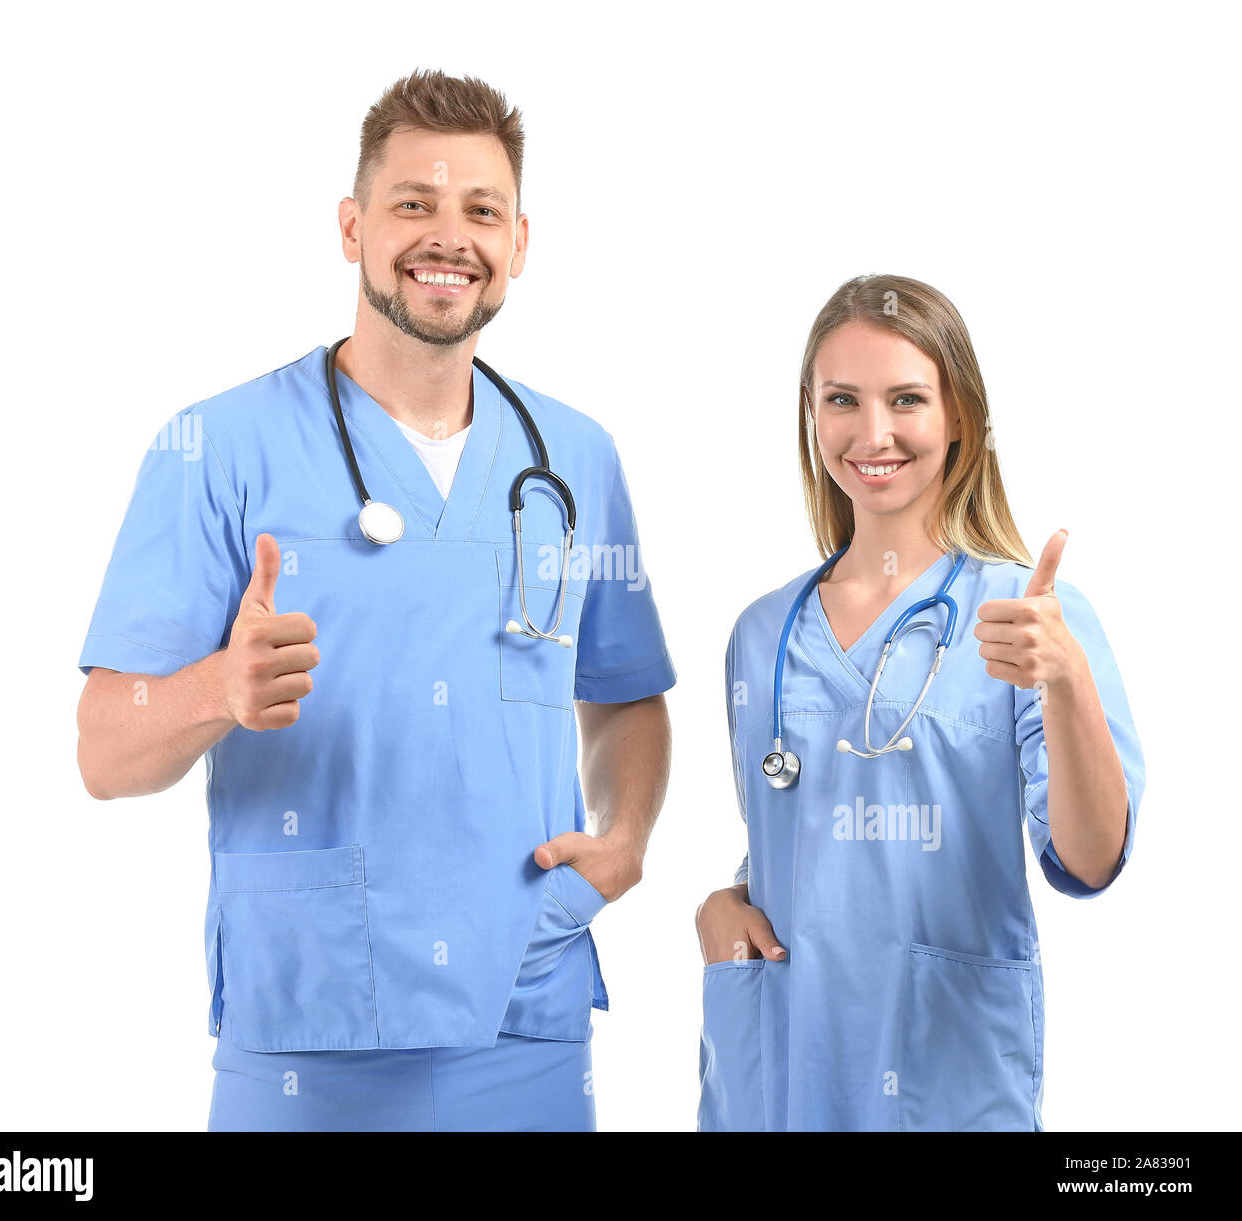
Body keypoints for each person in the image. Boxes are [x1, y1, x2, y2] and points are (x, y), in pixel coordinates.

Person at [75, 69, 675, 1132]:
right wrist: (217, 688)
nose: (449, 236)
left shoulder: (575, 456)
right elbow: (103, 754)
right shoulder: (216, 445)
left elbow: (622, 695)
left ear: (520, 244)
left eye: (480, 210)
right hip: (309, 1030)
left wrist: (625, 836)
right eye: (413, 204)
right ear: (351, 227)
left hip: (526, 1009)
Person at [694, 274, 1144, 1131]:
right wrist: (725, 901)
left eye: (907, 398)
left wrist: (1067, 681)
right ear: (811, 415)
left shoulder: (1024, 617)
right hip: (781, 1076)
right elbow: (802, 848)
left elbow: (1089, 859)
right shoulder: (763, 635)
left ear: (960, 418)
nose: (874, 433)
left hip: (946, 1081)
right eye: (841, 399)